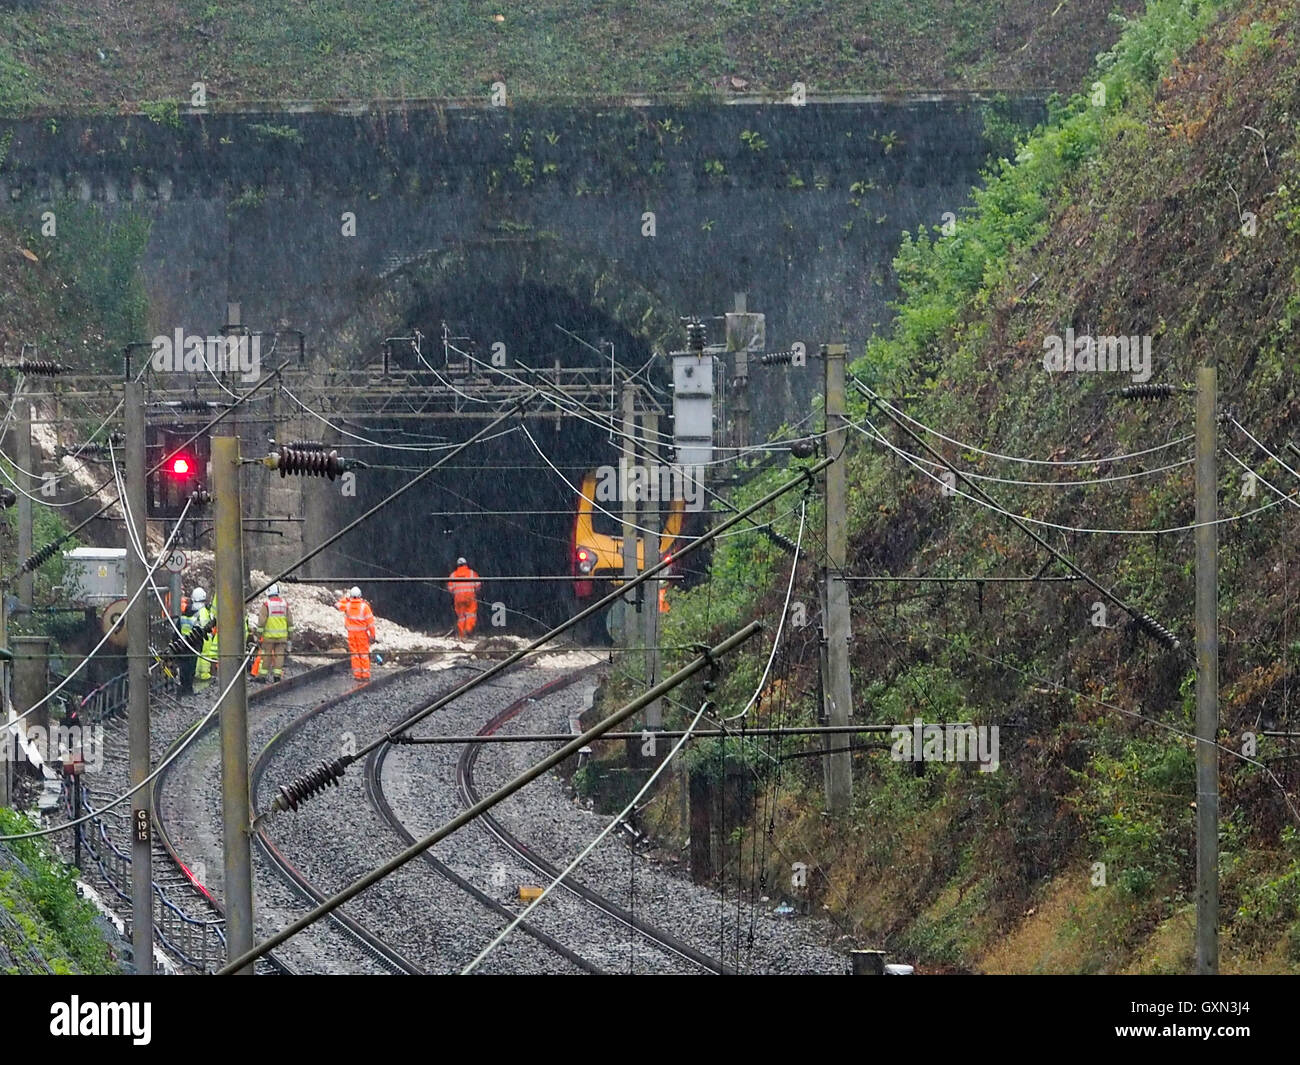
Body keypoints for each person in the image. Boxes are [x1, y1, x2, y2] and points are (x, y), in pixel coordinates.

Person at [254, 583, 293, 683]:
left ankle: (262, 676)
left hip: (269, 637)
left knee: (266, 655)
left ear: (268, 593)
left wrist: (259, 636)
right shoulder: (285, 604)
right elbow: (290, 622)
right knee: (279, 656)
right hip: (282, 637)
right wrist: (290, 636)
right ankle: (277, 676)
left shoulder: (266, 605)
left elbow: (262, 622)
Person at [336, 586, 375, 681]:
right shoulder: (364, 607)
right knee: (364, 654)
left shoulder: (347, 605)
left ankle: (357, 675)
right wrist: (372, 635)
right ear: (360, 596)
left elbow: (337, 605)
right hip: (362, 635)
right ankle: (365, 675)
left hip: (351, 634)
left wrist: (346, 599)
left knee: (355, 654)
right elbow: (370, 623)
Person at [447, 557, 482, 638]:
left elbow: (450, 589)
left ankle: (462, 635)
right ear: (466, 564)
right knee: (471, 615)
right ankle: (468, 630)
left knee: (461, 617)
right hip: (470, 598)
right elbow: (478, 586)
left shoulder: (453, 575)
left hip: (458, 599)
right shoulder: (472, 573)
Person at [191, 587, 217, 685]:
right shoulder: (204, 610)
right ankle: (204, 674)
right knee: (205, 655)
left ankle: (197, 673)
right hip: (205, 636)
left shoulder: (193, 609)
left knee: (197, 655)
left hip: (195, 636)